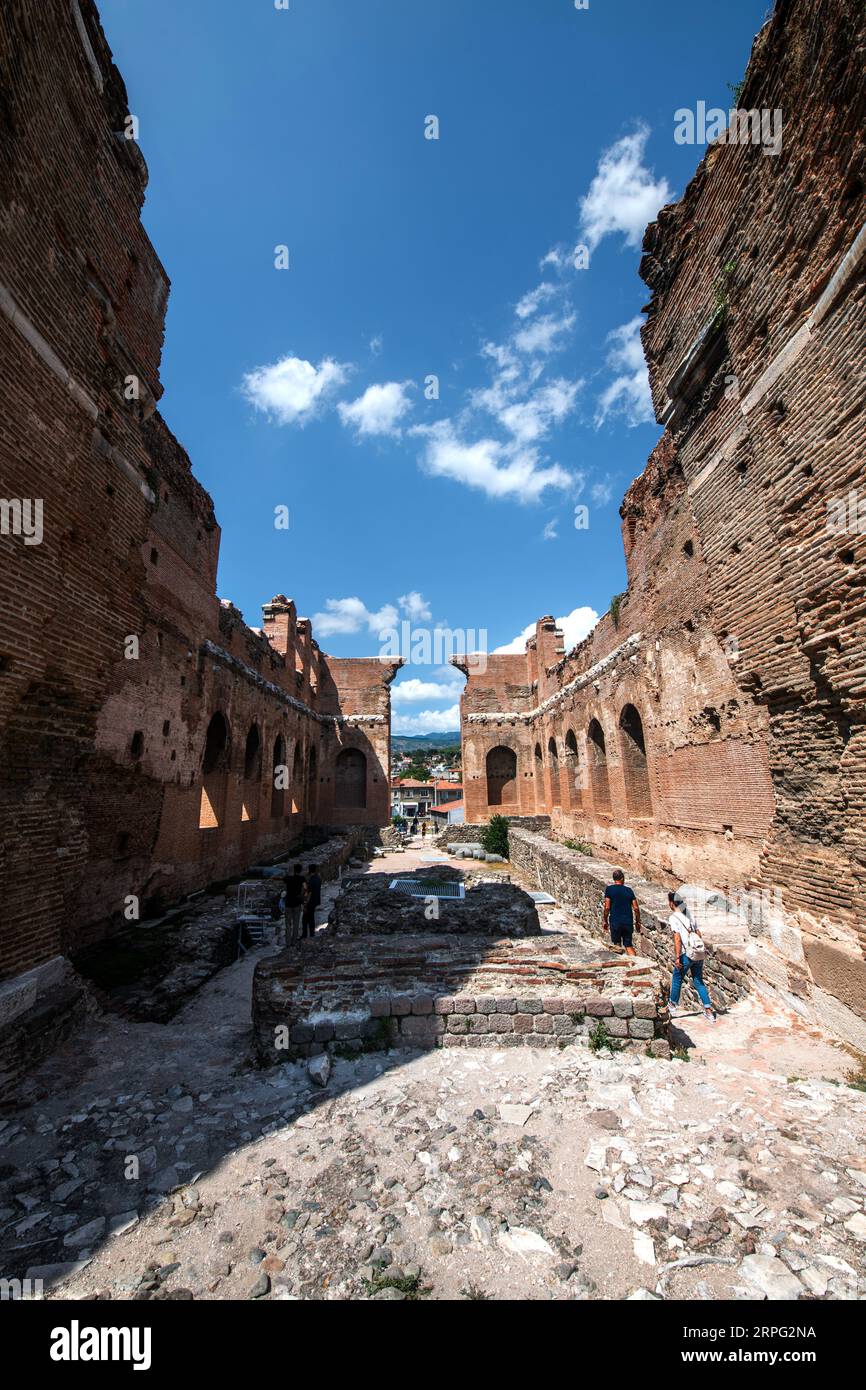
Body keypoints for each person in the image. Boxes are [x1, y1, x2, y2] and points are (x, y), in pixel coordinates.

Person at [668, 890, 715, 1022]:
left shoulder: (674, 917)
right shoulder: (690, 915)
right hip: (697, 954)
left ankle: (672, 1006)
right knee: (699, 981)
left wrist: (677, 957)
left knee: (677, 978)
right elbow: (698, 933)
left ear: (672, 903)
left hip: (685, 954)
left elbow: (677, 938)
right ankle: (709, 1011)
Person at [602, 868, 641, 956]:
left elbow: (607, 907)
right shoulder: (629, 890)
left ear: (614, 879)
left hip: (615, 921)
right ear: (622, 878)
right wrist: (637, 921)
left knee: (617, 946)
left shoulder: (609, 889)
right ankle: (637, 963)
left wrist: (605, 920)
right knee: (628, 945)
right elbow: (636, 908)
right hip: (627, 922)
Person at [283, 863, 305, 946]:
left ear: (294, 870)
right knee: (296, 923)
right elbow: (305, 888)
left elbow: (283, 878)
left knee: (288, 924)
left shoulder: (288, 878)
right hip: (297, 903)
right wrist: (302, 898)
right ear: (301, 870)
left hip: (288, 903)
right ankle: (294, 941)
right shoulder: (302, 879)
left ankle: (288, 942)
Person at [302, 863, 322, 939]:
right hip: (315, 900)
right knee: (311, 917)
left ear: (309, 870)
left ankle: (305, 934)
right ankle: (312, 933)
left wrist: (305, 903)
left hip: (310, 901)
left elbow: (309, 892)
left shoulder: (311, 880)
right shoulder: (318, 878)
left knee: (305, 919)